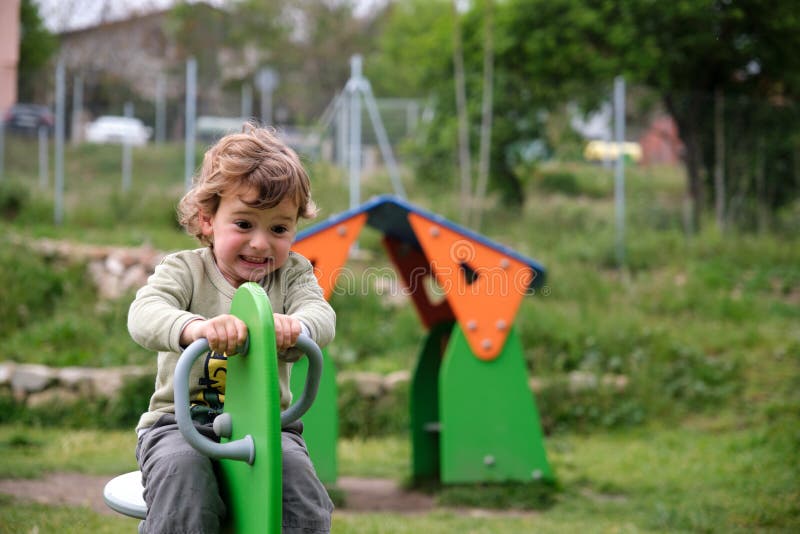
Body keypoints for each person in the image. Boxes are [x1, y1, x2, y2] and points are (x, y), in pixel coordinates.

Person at [128, 123, 335, 534]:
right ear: (207, 220)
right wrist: (194, 328)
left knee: (304, 498)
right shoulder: (186, 270)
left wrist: (296, 326)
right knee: (184, 484)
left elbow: (322, 316)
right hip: (179, 423)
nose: (261, 243)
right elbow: (144, 313)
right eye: (244, 224)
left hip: (270, 426)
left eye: (279, 229)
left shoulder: (293, 275)